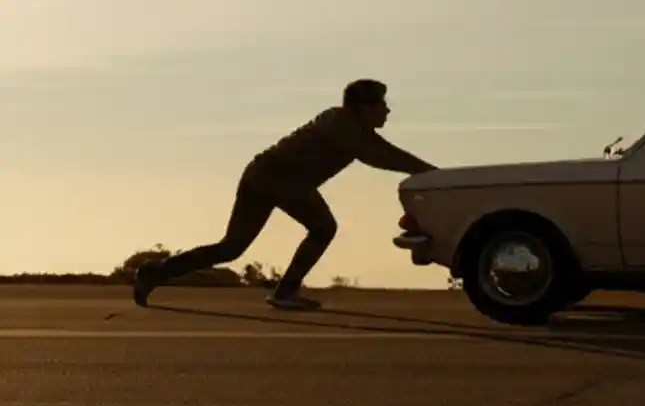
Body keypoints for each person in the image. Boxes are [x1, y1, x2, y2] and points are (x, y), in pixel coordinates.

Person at [133, 79, 436, 310]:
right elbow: (382, 157)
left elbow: (383, 152)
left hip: (270, 177)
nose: (387, 109)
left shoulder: (353, 128)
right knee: (321, 228)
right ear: (363, 108)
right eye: (381, 104)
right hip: (275, 178)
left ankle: (156, 272)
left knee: (232, 247)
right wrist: (432, 174)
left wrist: (429, 172)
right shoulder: (342, 125)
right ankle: (285, 291)